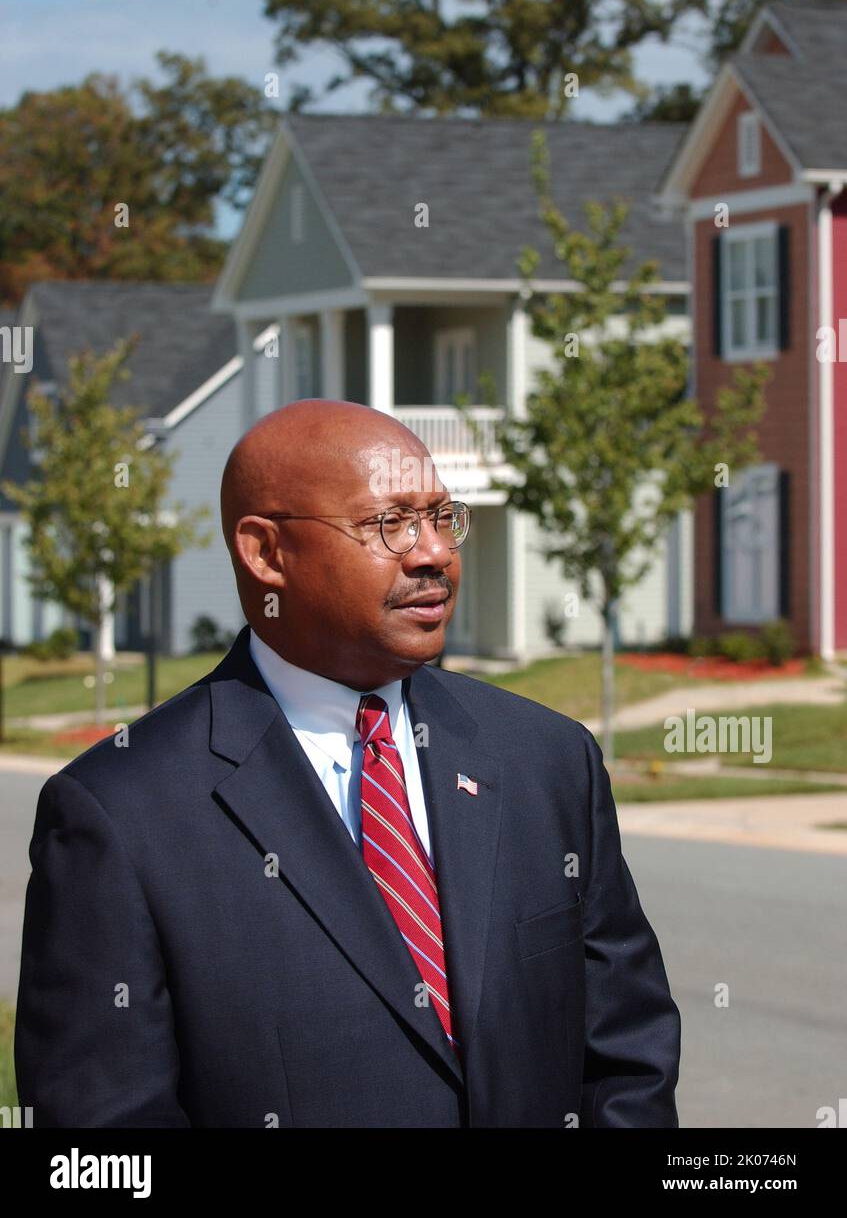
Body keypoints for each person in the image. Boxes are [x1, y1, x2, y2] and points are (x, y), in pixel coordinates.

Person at [15, 398, 681, 1128]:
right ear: (266, 552)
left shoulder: (545, 759)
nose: (432, 552)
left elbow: (625, 1053)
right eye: (388, 524)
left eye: (440, 517)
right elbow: (106, 1131)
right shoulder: (120, 812)